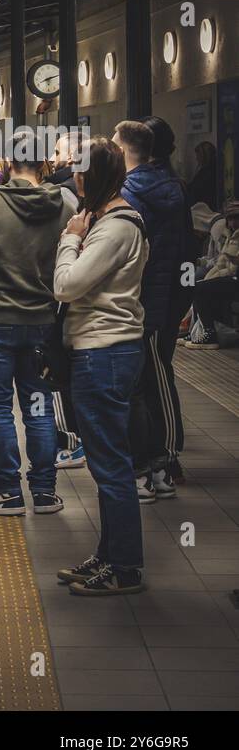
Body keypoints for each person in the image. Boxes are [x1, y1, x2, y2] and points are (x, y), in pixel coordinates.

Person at [52, 137, 149, 595]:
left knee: (111, 467)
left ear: (90, 175)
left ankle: (125, 567)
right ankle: (110, 554)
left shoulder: (114, 228)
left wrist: (70, 240)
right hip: (103, 350)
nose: (73, 173)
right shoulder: (110, 220)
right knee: (106, 463)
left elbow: (68, 285)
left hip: (104, 353)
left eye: (77, 167)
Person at [0, 147, 74, 515]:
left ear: (8, 165)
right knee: (38, 409)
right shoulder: (66, 208)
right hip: (41, 324)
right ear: (44, 165)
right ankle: (44, 492)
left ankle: (7, 492)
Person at [115, 118, 190, 502]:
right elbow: (183, 251)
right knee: (154, 374)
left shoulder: (131, 191)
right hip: (163, 294)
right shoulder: (173, 187)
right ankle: (162, 459)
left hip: (143, 297)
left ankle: (156, 462)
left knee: (147, 379)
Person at [183, 201, 239, 349]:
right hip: (224, 274)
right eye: (231, 218)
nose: (234, 222)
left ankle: (208, 332)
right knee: (196, 284)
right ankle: (196, 330)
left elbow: (224, 261)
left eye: (237, 218)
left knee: (199, 286)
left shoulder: (221, 230)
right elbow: (216, 259)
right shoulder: (229, 234)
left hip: (233, 277)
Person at [187, 141, 219, 211]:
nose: (196, 158)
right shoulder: (213, 169)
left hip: (206, 210)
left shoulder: (207, 172)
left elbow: (197, 189)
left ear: (203, 155)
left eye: (197, 155)